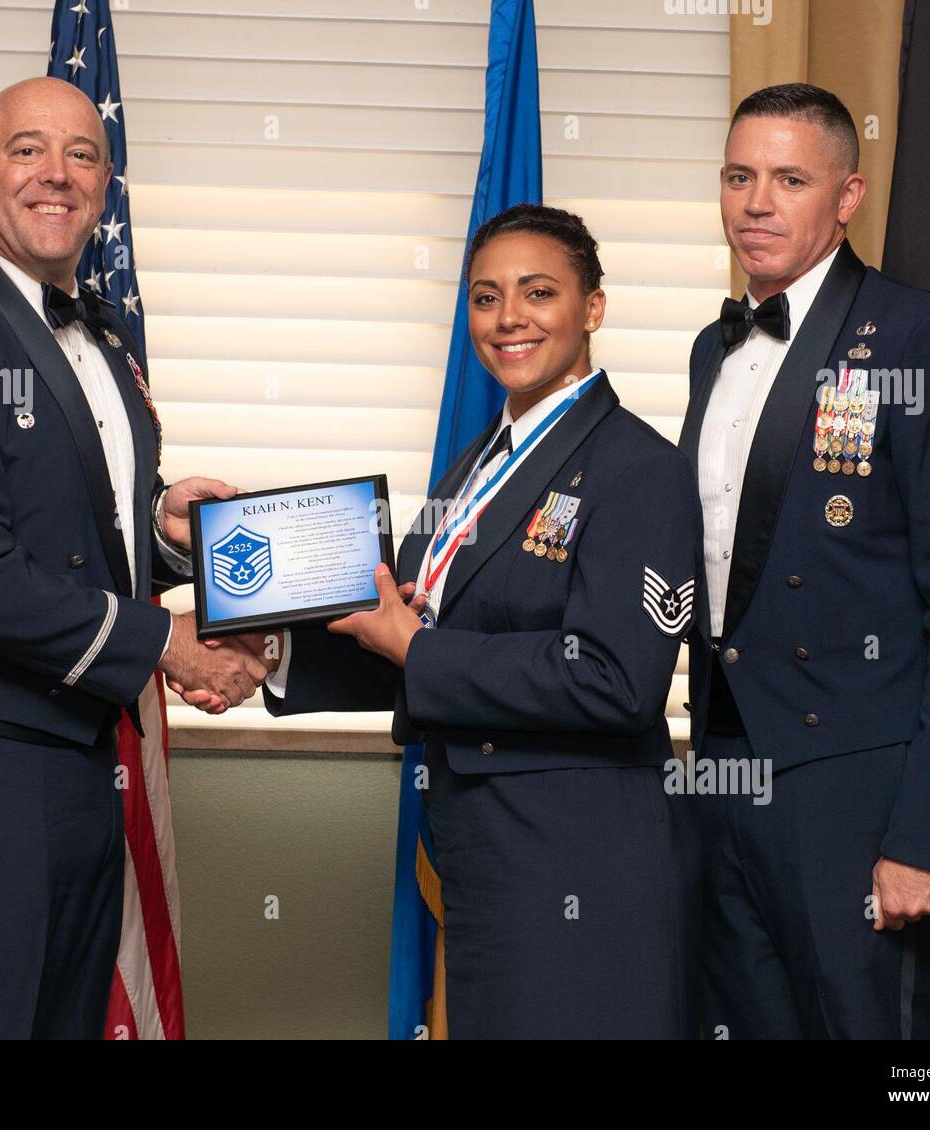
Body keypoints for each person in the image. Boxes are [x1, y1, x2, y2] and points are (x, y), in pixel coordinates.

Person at [190, 204, 704, 1038]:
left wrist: (418, 646)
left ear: (594, 308)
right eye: (485, 297)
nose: (509, 319)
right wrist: (270, 650)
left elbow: (617, 682)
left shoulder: (638, 468)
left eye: (539, 292)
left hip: (581, 865)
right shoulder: (478, 464)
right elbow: (402, 630)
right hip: (487, 859)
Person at [0, 77, 264, 1039]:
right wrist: (170, 648)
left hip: (76, 756)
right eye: (27, 150)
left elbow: (66, 535)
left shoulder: (99, 335)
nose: (56, 175)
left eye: (82, 155)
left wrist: (162, 533)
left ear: (105, 183)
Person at [678, 83, 930, 1039]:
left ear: (848, 195)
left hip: (862, 794)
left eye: (790, 179)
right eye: (739, 176)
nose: (757, 203)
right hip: (726, 771)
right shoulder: (714, 348)